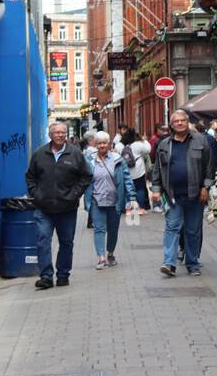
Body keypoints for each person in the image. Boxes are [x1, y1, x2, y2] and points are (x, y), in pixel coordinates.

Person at [25, 121, 92, 290]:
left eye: (63, 132)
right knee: (42, 241)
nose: (60, 135)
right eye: (57, 132)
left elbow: (86, 176)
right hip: (44, 208)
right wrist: (36, 195)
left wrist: (74, 195)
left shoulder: (75, 154)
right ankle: (46, 276)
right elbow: (30, 177)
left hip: (67, 209)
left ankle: (63, 274)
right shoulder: (39, 154)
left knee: (66, 243)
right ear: (50, 135)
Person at [153, 108, 215, 277]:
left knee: (192, 230)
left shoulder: (201, 141)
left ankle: (193, 263)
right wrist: (156, 190)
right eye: (176, 121)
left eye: (182, 120)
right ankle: (169, 263)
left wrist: (206, 187)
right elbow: (157, 169)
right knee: (172, 228)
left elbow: (210, 167)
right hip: (173, 195)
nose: (179, 123)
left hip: (196, 195)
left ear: (187, 123)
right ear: (171, 125)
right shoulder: (164, 144)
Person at [84, 130, 138, 270]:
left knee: (113, 230)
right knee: (99, 229)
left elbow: (127, 178)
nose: (102, 145)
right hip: (97, 200)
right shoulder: (89, 160)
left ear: (109, 144)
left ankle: (110, 253)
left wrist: (132, 197)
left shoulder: (117, 159)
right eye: (99, 143)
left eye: (104, 143)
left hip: (115, 201)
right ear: (95, 144)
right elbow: (83, 179)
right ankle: (101, 258)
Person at [121, 129, 151, 211]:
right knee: (140, 189)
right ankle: (140, 208)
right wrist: (145, 140)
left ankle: (129, 208)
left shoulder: (124, 146)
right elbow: (148, 150)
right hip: (138, 172)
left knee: (128, 190)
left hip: (127, 171)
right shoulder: (138, 144)